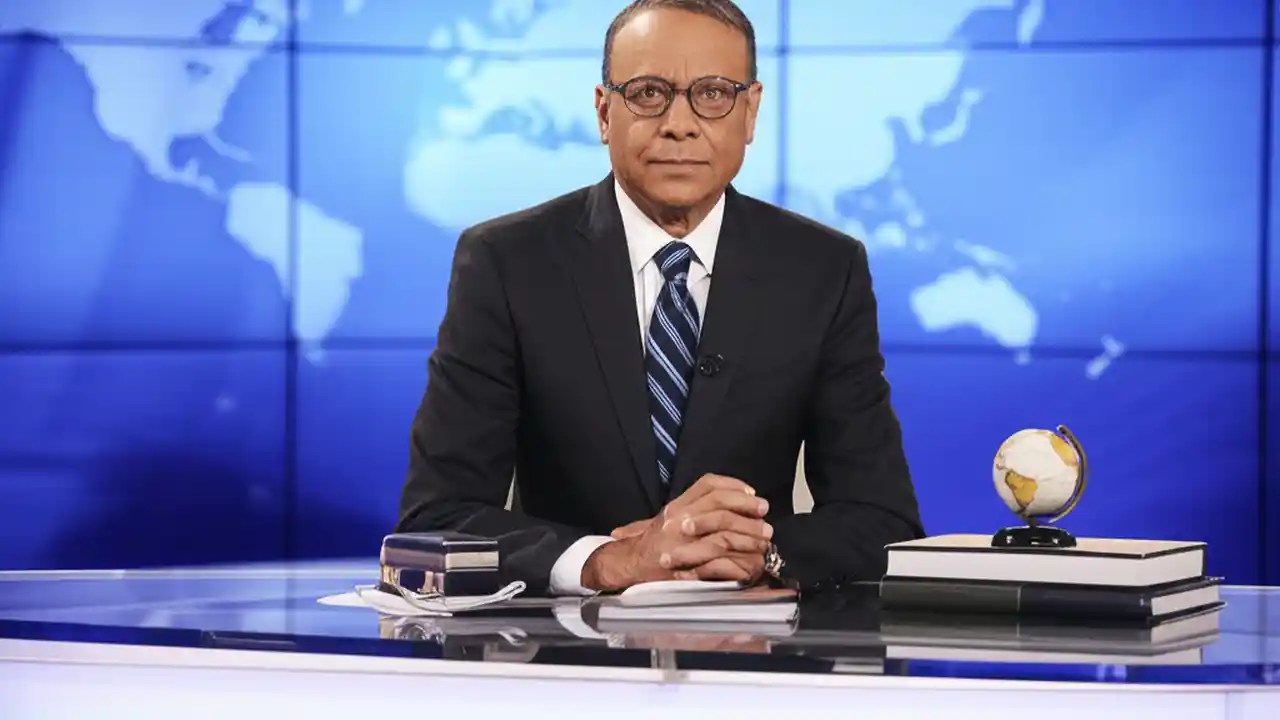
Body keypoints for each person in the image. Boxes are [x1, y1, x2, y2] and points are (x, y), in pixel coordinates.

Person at [396, 0, 924, 596]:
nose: (680, 124)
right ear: (604, 112)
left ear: (750, 112)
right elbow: (437, 519)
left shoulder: (822, 270)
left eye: (713, 94)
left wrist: (758, 551)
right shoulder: (507, 263)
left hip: (753, 646)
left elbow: (883, 523)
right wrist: (608, 560)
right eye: (649, 93)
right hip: (567, 646)